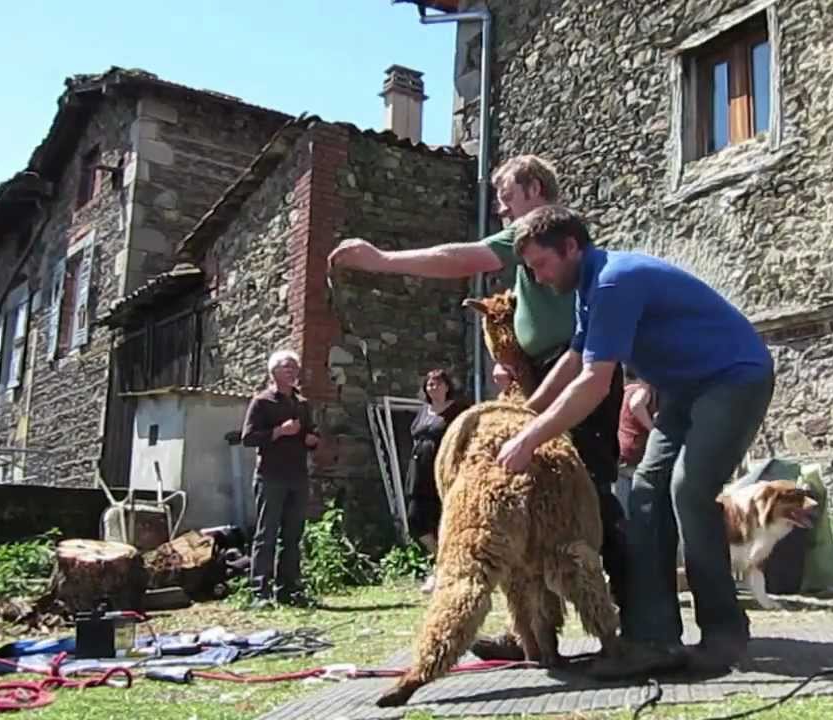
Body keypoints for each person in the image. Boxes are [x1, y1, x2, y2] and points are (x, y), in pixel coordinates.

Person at [327, 155, 626, 661]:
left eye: (506, 195)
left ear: (533, 189)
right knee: (531, 499)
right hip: (544, 368)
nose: (501, 208)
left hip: (575, 369)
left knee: (588, 494)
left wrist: (382, 260)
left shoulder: (541, 231)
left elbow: (460, 258)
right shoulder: (536, 238)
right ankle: (533, 630)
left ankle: (636, 622)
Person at [495, 205, 776, 678]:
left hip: (735, 379)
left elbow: (593, 383)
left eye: (541, 265)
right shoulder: (588, 290)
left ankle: (723, 634)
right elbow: (576, 358)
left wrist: (529, 439)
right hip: (685, 390)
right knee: (647, 494)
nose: (538, 279)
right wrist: (521, 413)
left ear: (570, 247)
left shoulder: (613, 281)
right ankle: (654, 639)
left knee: (689, 489)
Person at [241, 350, 321, 608]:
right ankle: (259, 592)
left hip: (297, 476)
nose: (292, 371)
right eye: (286, 367)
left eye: (295, 367)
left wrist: (312, 440)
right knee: (266, 534)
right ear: (273, 371)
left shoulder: (302, 404)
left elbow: (311, 433)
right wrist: (279, 431)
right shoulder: (262, 402)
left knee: (292, 535)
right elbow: (248, 438)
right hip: (270, 476)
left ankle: (289, 589)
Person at [406, 368, 468, 593]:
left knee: (441, 519)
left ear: (447, 386)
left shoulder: (457, 410)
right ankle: (442, 561)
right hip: (418, 472)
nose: (434, 388)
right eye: (430, 384)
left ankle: (443, 571)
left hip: (442, 472)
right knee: (415, 519)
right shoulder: (424, 410)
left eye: (438, 384)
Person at [616, 373, 656, 514]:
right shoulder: (646, 390)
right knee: (641, 513)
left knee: (624, 512)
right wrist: (653, 429)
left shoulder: (627, 390)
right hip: (636, 458)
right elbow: (636, 405)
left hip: (622, 455)